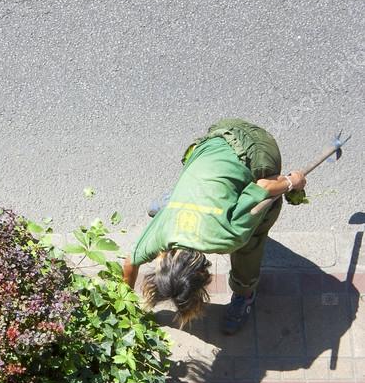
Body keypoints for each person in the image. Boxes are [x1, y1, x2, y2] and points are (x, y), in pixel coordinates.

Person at [122, 118, 307, 333]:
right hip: (217, 134)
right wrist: (125, 306)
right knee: (197, 188)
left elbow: (263, 187)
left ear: (202, 276)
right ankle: (172, 200)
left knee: (250, 241)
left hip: (257, 148)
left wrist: (292, 182)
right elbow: (130, 263)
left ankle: (245, 295)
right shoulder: (162, 234)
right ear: (163, 261)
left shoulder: (228, 237)